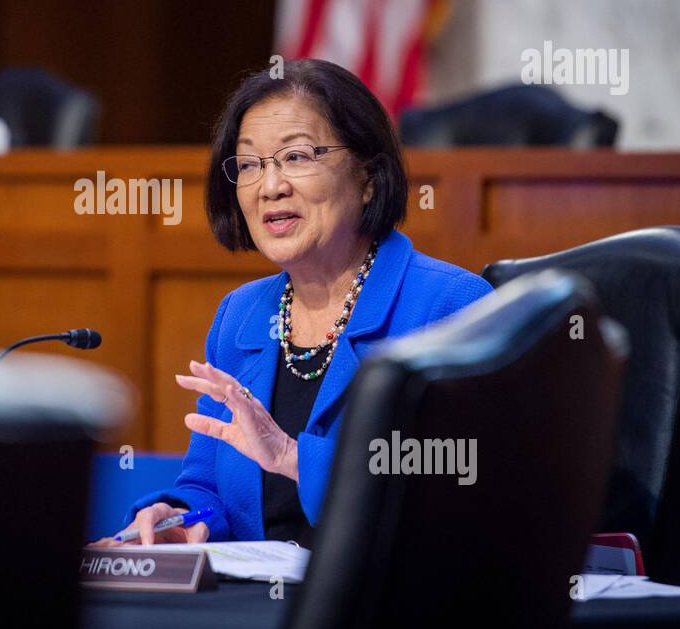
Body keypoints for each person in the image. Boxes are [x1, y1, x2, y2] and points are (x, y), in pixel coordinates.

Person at [91, 59, 494, 548]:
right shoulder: (239, 315)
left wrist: (289, 456)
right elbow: (207, 487)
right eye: (248, 164)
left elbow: (462, 488)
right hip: (253, 607)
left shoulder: (450, 306)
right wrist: (182, 518)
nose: (270, 186)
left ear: (368, 175)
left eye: (297, 157)